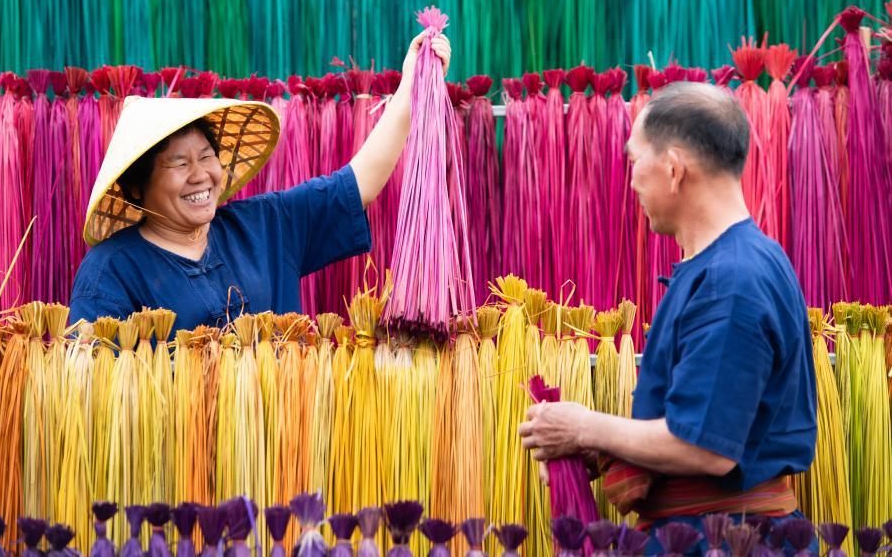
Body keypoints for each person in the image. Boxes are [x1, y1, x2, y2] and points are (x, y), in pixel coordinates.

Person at [518, 82, 817, 554]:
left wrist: (583, 427)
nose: (632, 180)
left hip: (720, 541)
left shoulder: (731, 282)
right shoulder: (738, 263)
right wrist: (606, 449)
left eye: (635, 161)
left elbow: (707, 448)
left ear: (674, 169)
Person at [69, 34, 451, 331]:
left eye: (206, 156)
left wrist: (411, 87)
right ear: (137, 189)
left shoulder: (264, 226)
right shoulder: (110, 272)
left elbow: (359, 182)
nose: (200, 174)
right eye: (179, 163)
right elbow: (92, 393)